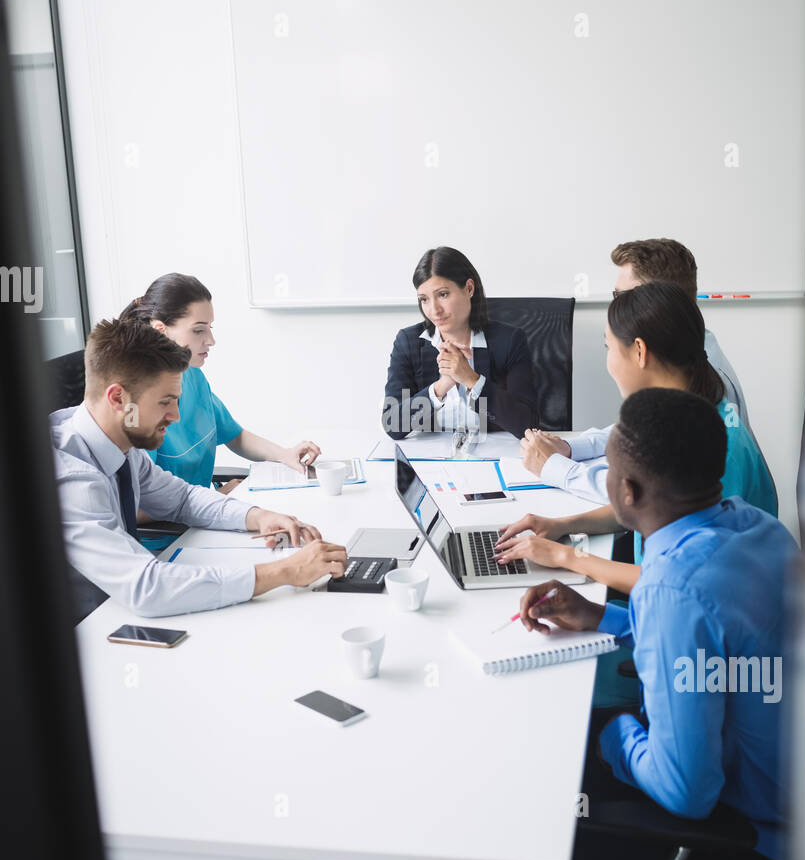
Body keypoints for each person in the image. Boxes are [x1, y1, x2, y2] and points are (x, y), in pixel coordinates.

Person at [415, 389, 796, 860]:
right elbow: (711, 640)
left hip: (754, 856)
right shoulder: (752, 530)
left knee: (506, 814)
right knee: (531, 760)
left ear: (625, 489)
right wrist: (604, 620)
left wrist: (611, 737)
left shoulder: (672, 587)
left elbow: (686, 793)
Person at [51, 317, 346, 622]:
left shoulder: (116, 438)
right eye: (165, 402)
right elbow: (146, 588)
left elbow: (182, 499)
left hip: (116, 607)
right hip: (84, 629)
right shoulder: (72, 479)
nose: (176, 416)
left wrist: (259, 517)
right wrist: (285, 571)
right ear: (117, 398)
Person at [495, 282, 778, 595]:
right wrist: (564, 525)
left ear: (640, 352)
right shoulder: (680, 412)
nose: (608, 363)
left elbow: (683, 584)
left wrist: (566, 555)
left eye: (609, 348)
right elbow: (654, 505)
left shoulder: (718, 446)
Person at [526, 237, 757, 495]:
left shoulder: (712, 386)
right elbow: (647, 433)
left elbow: (648, 493)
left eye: (622, 296)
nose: (616, 308)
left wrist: (557, 468)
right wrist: (573, 449)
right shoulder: (685, 363)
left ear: (658, 302)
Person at [121, 274, 320, 491]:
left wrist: (285, 455)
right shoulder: (135, 405)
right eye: (198, 330)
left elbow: (235, 436)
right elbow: (136, 504)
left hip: (206, 508)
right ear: (161, 330)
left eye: (210, 328)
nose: (211, 341)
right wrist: (215, 497)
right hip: (181, 520)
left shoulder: (191, 375)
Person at [381, 246, 538, 440]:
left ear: (469, 288)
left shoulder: (509, 341)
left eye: (443, 295)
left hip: (492, 459)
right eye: (424, 299)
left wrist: (471, 380)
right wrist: (442, 385)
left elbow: (527, 425)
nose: (434, 310)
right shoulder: (408, 342)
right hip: (430, 463)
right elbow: (392, 424)